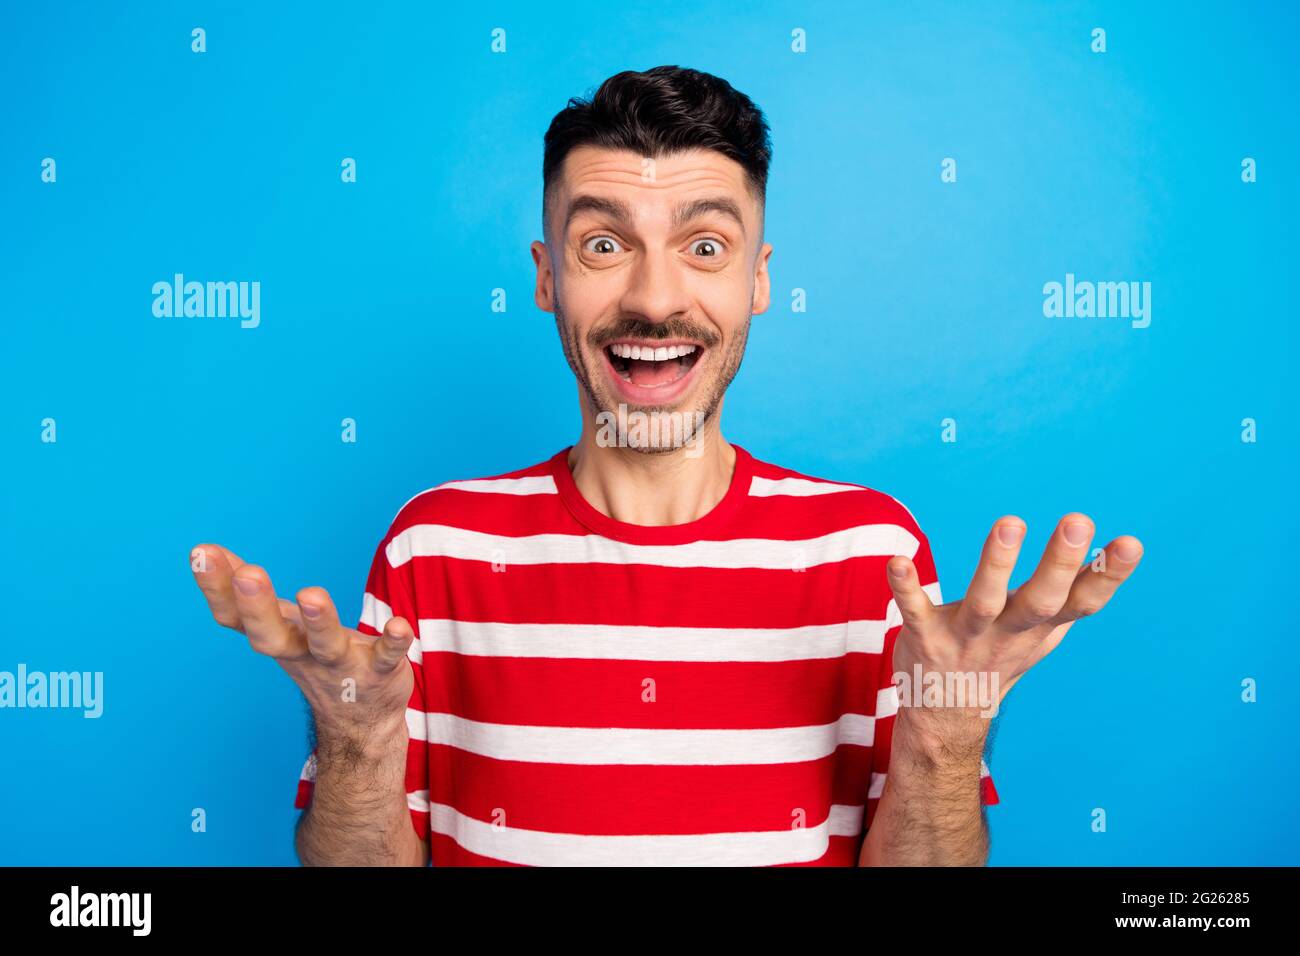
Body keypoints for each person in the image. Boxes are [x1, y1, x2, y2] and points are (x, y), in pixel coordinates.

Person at [190, 65, 1143, 866]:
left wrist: (948, 731)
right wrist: (356, 740)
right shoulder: (436, 545)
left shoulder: (868, 554)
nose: (654, 299)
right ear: (546, 274)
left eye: (704, 246)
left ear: (758, 278)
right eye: (603, 244)